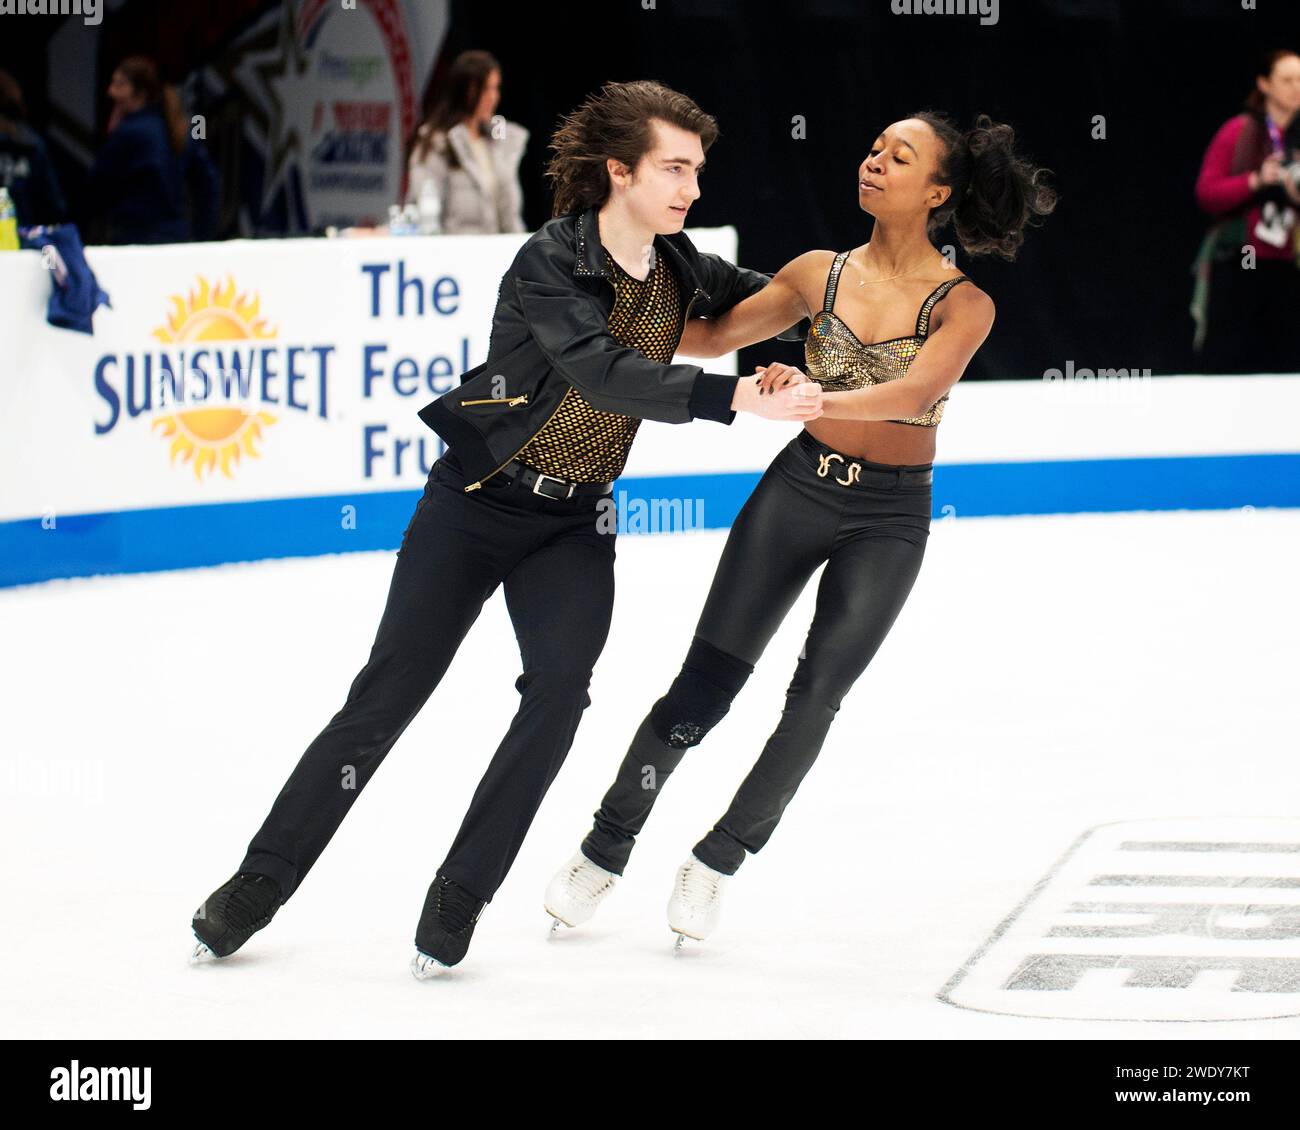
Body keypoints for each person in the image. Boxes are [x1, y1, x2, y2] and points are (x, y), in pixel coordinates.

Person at [190, 80, 819, 976]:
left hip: (574, 521)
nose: (691, 187)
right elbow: (602, 372)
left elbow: (770, 299)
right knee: (386, 699)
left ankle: (461, 894)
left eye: (696, 170)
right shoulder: (549, 261)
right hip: (475, 503)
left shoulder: (680, 268)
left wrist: (842, 300)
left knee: (560, 696)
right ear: (619, 171)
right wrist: (732, 398)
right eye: (674, 168)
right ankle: (260, 882)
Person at [545, 111, 1056, 946]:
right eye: (872, 147)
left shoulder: (968, 306)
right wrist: (620, 288)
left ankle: (717, 860)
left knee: (815, 700)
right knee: (702, 688)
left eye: (900, 157)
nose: (874, 161)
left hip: (890, 516)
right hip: (799, 492)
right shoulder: (816, 273)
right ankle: (605, 846)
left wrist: (806, 395)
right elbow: (710, 337)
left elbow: (911, 392)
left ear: (937, 191)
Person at [1193, 48, 1300, 374]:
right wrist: (1255, 181)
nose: (1297, 87)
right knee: (1232, 363)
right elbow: (1206, 194)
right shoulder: (1239, 132)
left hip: (1288, 266)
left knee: (1285, 366)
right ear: (1264, 84)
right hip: (1241, 265)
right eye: (1287, 80)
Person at [88, 56, 218, 244]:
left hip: (133, 241)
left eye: (119, 85)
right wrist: (203, 235)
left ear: (140, 92)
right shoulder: (180, 128)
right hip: (175, 239)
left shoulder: (129, 133)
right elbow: (209, 182)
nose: (111, 91)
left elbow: (97, 187)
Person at [405, 50, 527, 234]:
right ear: (467, 90)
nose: (493, 97)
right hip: (453, 255)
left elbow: (509, 213)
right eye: (486, 88)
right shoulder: (437, 143)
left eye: (496, 88)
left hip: (496, 254)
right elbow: (424, 210)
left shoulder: (498, 142)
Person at [0, 69, 67, 226]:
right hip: (26, 240)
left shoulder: (31, 145)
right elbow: (53, 205)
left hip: (22, 239)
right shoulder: (32, 143)